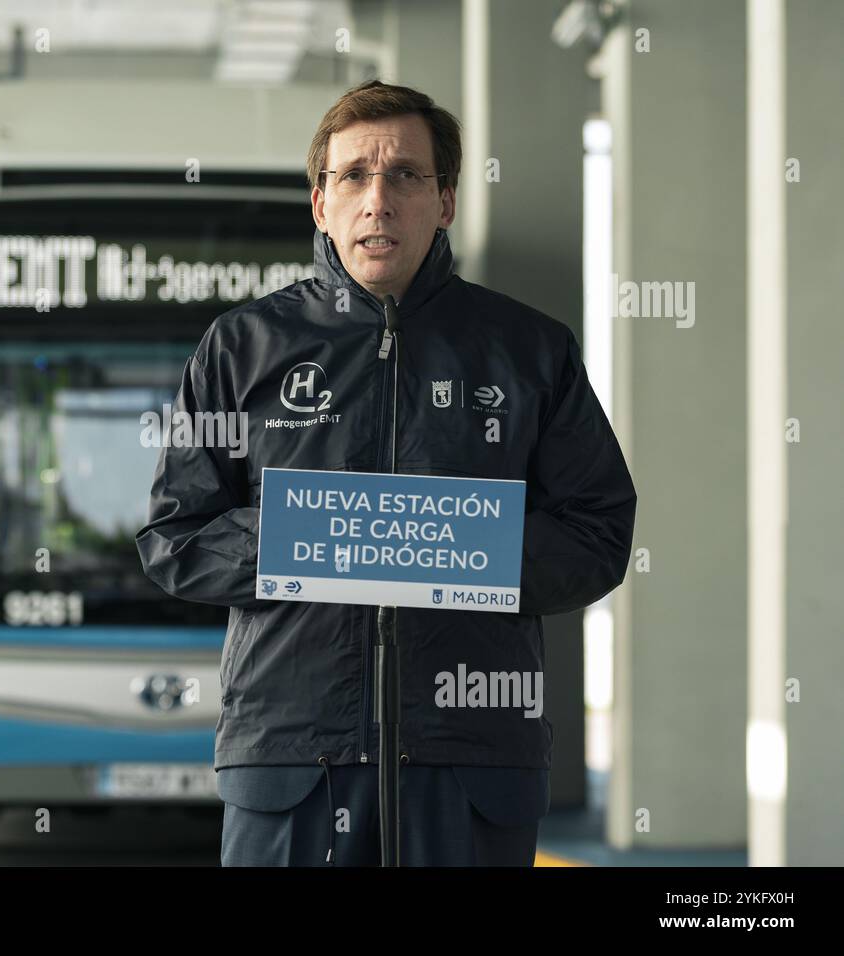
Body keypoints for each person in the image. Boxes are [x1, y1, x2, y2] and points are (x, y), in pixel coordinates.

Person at [135, 80, 636, 866]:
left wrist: (458, 552)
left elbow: (600, 532)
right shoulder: (241, 349)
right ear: (320, 204)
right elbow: (175, 536)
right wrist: (314, 539)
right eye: (354, 177)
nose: (379, 200)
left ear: (445, 202)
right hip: (291, 755)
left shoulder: (530, 351)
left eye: (406, 175)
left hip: (473, 752)